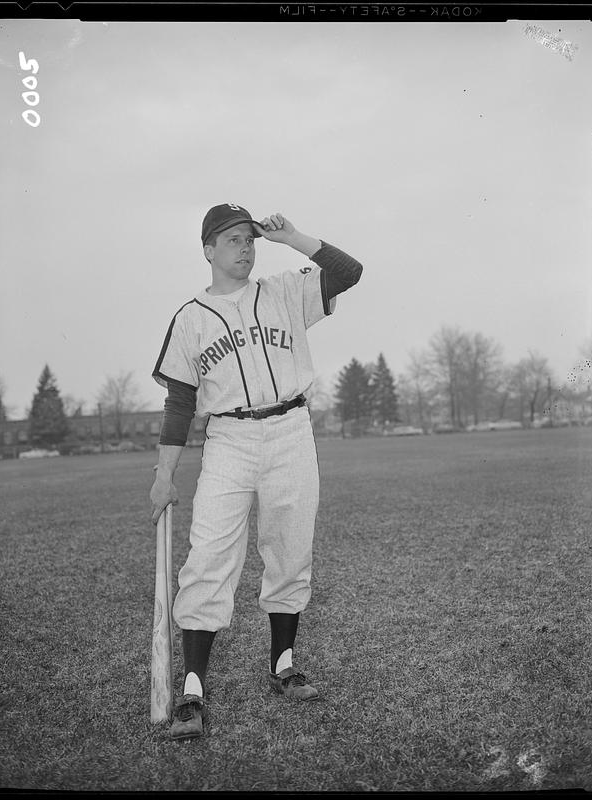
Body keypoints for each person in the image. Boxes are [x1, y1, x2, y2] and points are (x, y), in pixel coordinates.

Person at [150, 203, 362, 739]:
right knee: (210, 555)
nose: (244, 247)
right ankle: (193, 692)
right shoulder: (191, 318)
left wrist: (292, 237)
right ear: (208, 250)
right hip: (228, 438)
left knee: (291, 549)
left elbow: (349, 272)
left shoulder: (286, 290)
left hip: (291, 429)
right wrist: (164, 474)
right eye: (231, 239)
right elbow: (179, 402)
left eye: (249, 238)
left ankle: (283, 666)